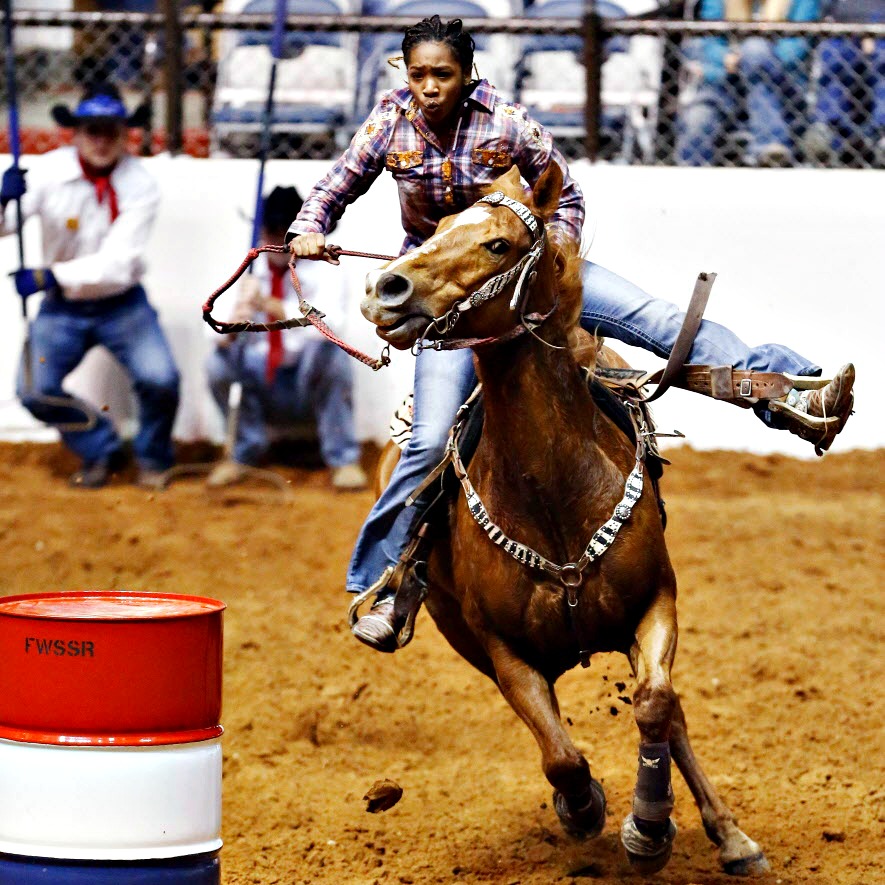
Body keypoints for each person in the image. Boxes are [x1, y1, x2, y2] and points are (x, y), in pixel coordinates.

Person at [286, 16, 855, 652]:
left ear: (467, 74)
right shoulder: (388, 122)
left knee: (659, 321)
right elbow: (334, 187)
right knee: (426, 440)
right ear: (404, 72)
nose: (429, 88)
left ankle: (791, 391)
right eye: (418, 74)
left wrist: (550, 261)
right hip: (448, 294)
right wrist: (308, 228)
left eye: (442, 75)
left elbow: (567, 194)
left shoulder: (506, 120)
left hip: (528, 271)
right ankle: (387, 581)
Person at [0, 81, 180, 489]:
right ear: (76, 134)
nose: (101, 140)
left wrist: (51, 274)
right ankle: (101, 447)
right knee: (33, 389)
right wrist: (1, 200)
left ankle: (153, 458)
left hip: (123, 305)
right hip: (62, 308)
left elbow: (118, 264)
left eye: (110, 131)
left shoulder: (140, 185)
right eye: (91, 131)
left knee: (161, 379)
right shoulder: (49, 171)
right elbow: (4, 226)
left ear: (125, 135)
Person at [205, 186, 368, 491]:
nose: (280, 241)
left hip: (306, 378)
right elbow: (211, 331)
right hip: (260, 379)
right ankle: (244, 453)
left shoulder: (325, 268)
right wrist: (233, 322)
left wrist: (279, 309)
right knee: (219, 363)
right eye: (273, 230)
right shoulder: (245, 267)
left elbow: (335, 324)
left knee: (332, 357)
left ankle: (343, 459)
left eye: (288, 234)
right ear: (261, 231)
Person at [676, 0, 821, 167]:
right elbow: (708, 44)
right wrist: (725, 58)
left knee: (755, 50)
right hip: (728, 83)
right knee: (698, 118)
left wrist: (749, 59)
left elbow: (794, 51)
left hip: (779, 86)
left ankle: (768, 146)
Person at [801, 0, 885, 166]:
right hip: (843, 32)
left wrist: (873, 31)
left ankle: (881, 135)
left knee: (882, 57)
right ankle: (826, 130)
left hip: (881, 34)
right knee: (833, 53)